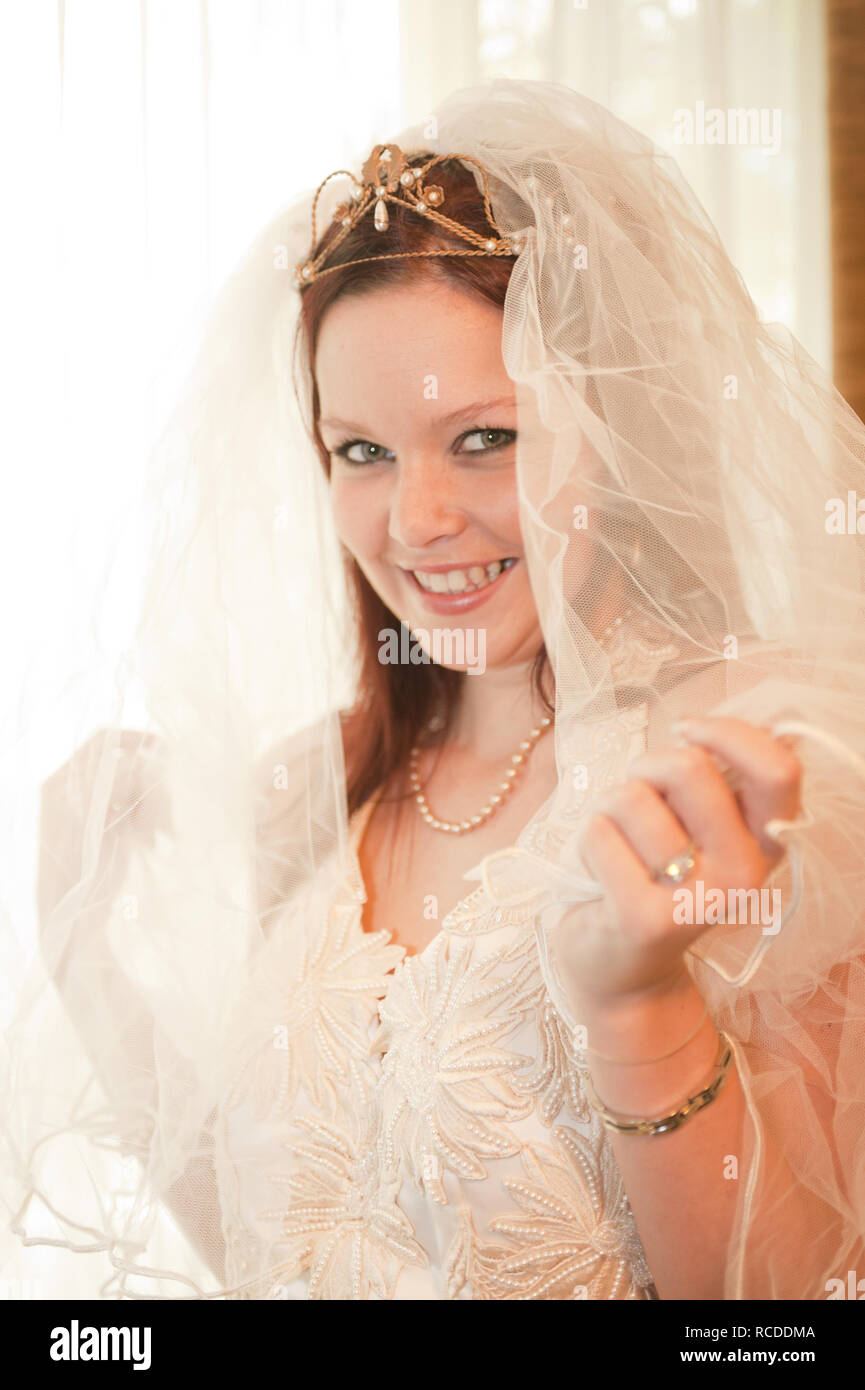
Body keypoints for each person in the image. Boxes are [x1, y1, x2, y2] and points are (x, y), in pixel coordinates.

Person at [2, 78, 864, 1301]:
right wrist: (89, 952)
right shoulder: (315, 788)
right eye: (361, 451)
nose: (416, 521)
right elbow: (278, 1250)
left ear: (614, 432)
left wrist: (638, 1006)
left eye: (484, 438)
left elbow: (790, 1311)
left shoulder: (762, 762)